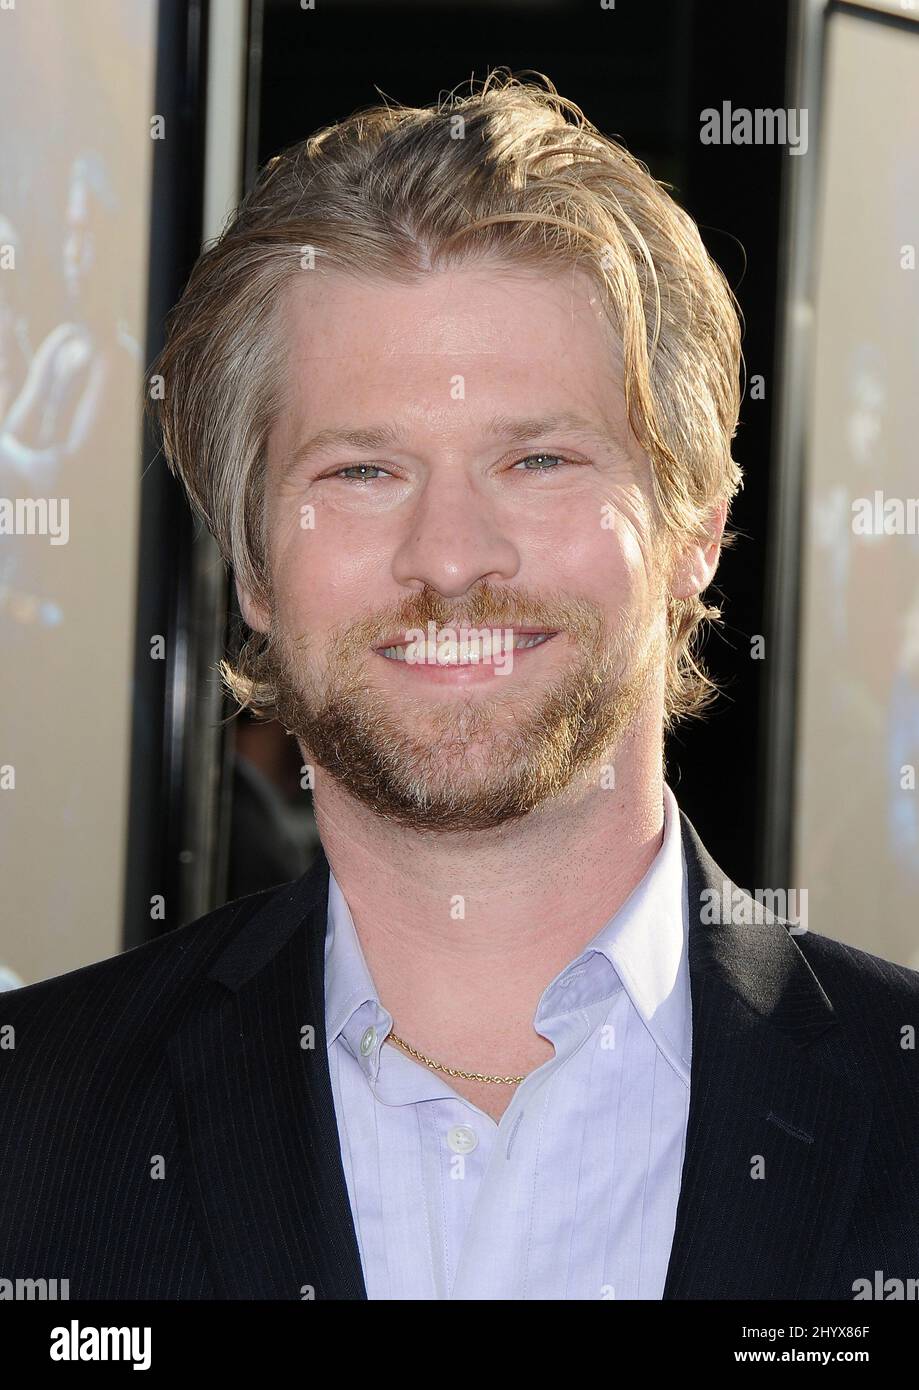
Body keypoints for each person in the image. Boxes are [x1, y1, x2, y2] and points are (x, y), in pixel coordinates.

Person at [1, 71, 917, 1301]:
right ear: (254, 566)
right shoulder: (31, 1128)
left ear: (697, 527)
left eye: (537, 458)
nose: (448, 556)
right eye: (364, 470)